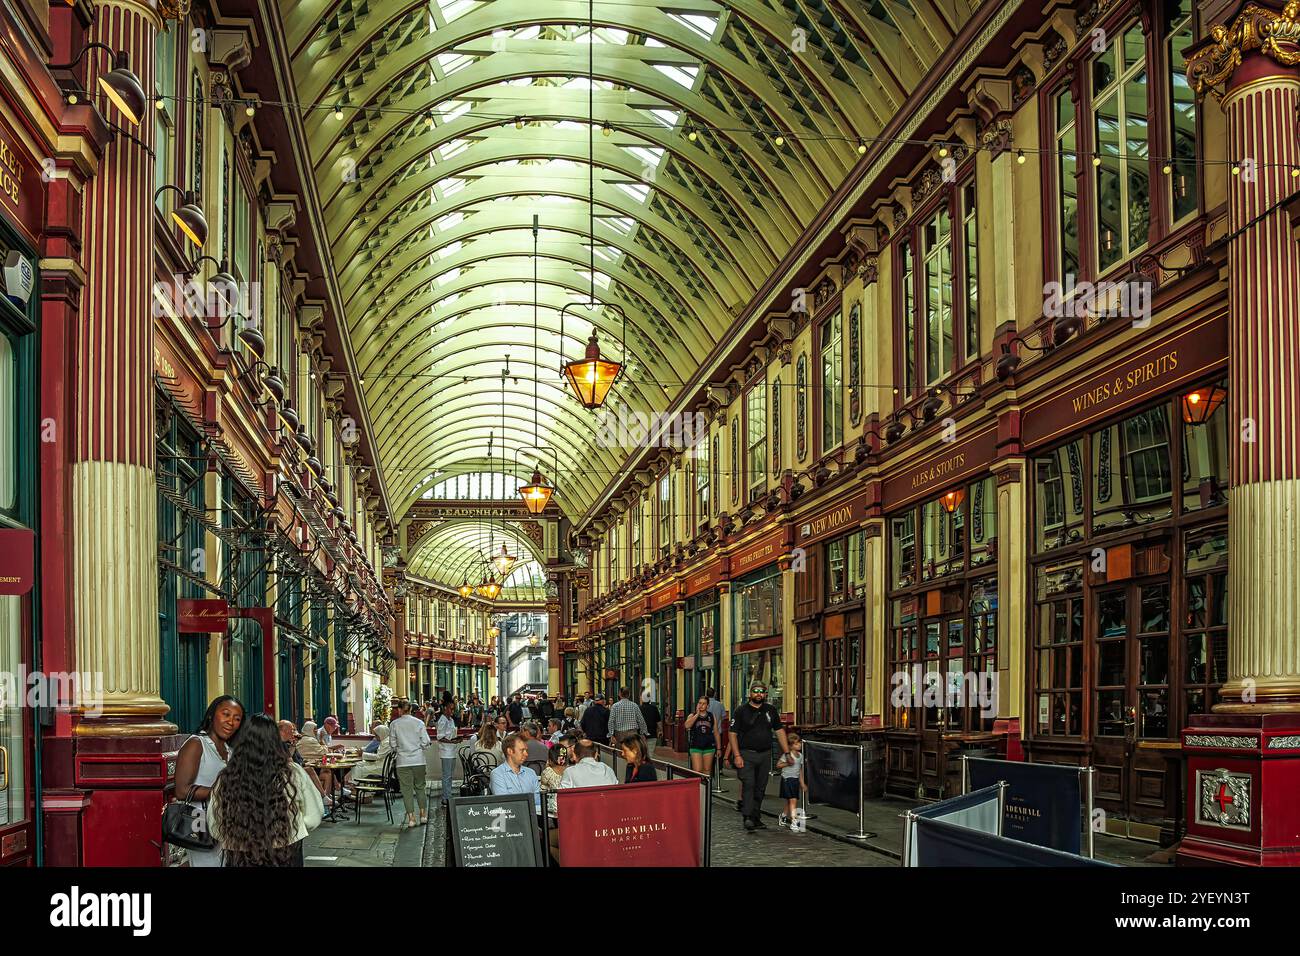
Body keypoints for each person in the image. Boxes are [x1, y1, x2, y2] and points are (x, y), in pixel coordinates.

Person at [208, 713, 323, 866]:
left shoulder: (227, 777)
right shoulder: (292, 773)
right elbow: (314, 815)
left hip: (240, 855)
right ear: (275, 741)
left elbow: (214, 824)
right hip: (285, 852)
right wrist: (294, 827)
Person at [173, 695, 244, 868]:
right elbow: (182, 790)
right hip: (200, 824)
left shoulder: (230, 750)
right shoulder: (197, 744)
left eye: (237, 718)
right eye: (225, 714)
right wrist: (222, 791)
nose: (231, 722)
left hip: (225, 826)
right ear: (212, 715)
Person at [727, 683, 789, 832]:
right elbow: (732, 733)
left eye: (762, 691)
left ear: (765, 694)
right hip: (746, 754)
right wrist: (736, 755)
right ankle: (747, 817)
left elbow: (779, 731)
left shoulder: (771, 710)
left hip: (765, 754)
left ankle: (756, 816)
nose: (758, 694)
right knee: (749, 785)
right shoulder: (740, 711)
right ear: (750, 693)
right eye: (756, 691)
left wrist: (787, 752)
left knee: (760, 787)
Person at [389, 699, 431, 828]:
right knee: (420, 787)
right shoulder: (419, 723)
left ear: (399, 710)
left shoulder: (394, 724)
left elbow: (392, 744)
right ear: (411, 710)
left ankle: (411, 818)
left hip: (403, 761)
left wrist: (400, 749)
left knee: (406, 790)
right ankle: (423, 815)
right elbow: (426, 741)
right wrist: (420, 747)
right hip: (418, 760)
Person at [489, 732, 541, 813]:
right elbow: (504, 804)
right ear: (510, 751)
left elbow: (538, 801)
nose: (526, 754)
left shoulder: (531, 773)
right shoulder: (497, 774)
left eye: (526, 750)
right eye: (522, 750)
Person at [776, 732, 807, 832]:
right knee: (793, 800)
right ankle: (794, 821)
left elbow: (800, 770)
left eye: (800, 743)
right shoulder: (787, 755)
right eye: (797, 743)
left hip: (795, 780)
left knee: (790, 801)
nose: (800, 745)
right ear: (791, 745)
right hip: (787, 779)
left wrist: (802, 783)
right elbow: (778, 765)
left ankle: (783, 815)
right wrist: (787, 763)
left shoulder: (800, 756)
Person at [684, 696, 718, 777]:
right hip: (696, 746)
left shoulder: (711, 716)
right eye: (699, 703)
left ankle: (706, 789)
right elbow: (687, 726)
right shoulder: (692, 715)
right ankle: (699, 788)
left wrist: (719, 748)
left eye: (704, 703)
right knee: (697, 771)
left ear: (707, 706)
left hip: (709, 746)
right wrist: (697, 714)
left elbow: (716, 732)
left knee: (707, 770)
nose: (701, 705)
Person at [435, 700, 459, 806]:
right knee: (447, 775)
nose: (452, 711)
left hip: (452, 750)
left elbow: (451, 734)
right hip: (446, 752)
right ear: (445, 708)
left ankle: (448, 795)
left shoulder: (451, 720)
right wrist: (452, 741)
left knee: (450, 776)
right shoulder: (442, 720)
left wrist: (456, 739)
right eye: (450, 708)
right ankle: (445, 797)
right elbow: (440, 737)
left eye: (453, 709)